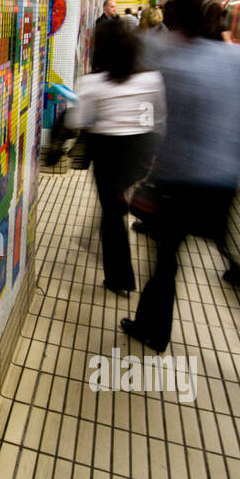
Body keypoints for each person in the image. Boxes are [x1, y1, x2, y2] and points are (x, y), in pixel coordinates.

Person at [119, 0, 240, 353]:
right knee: (229, 246)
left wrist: (150, 181)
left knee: (166, 263)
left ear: (178, 24)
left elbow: (166, 133)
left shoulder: (177, 65)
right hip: (227, 181)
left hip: (181, 185)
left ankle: (152, 330)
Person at [66, 20, 164, 293]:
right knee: (120, 203)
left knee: (112, 213)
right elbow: (158, 117)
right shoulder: (151, 78)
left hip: (107, 153)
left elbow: (77, 121)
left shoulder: (91, 83)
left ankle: (120, 278)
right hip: (142, 151)